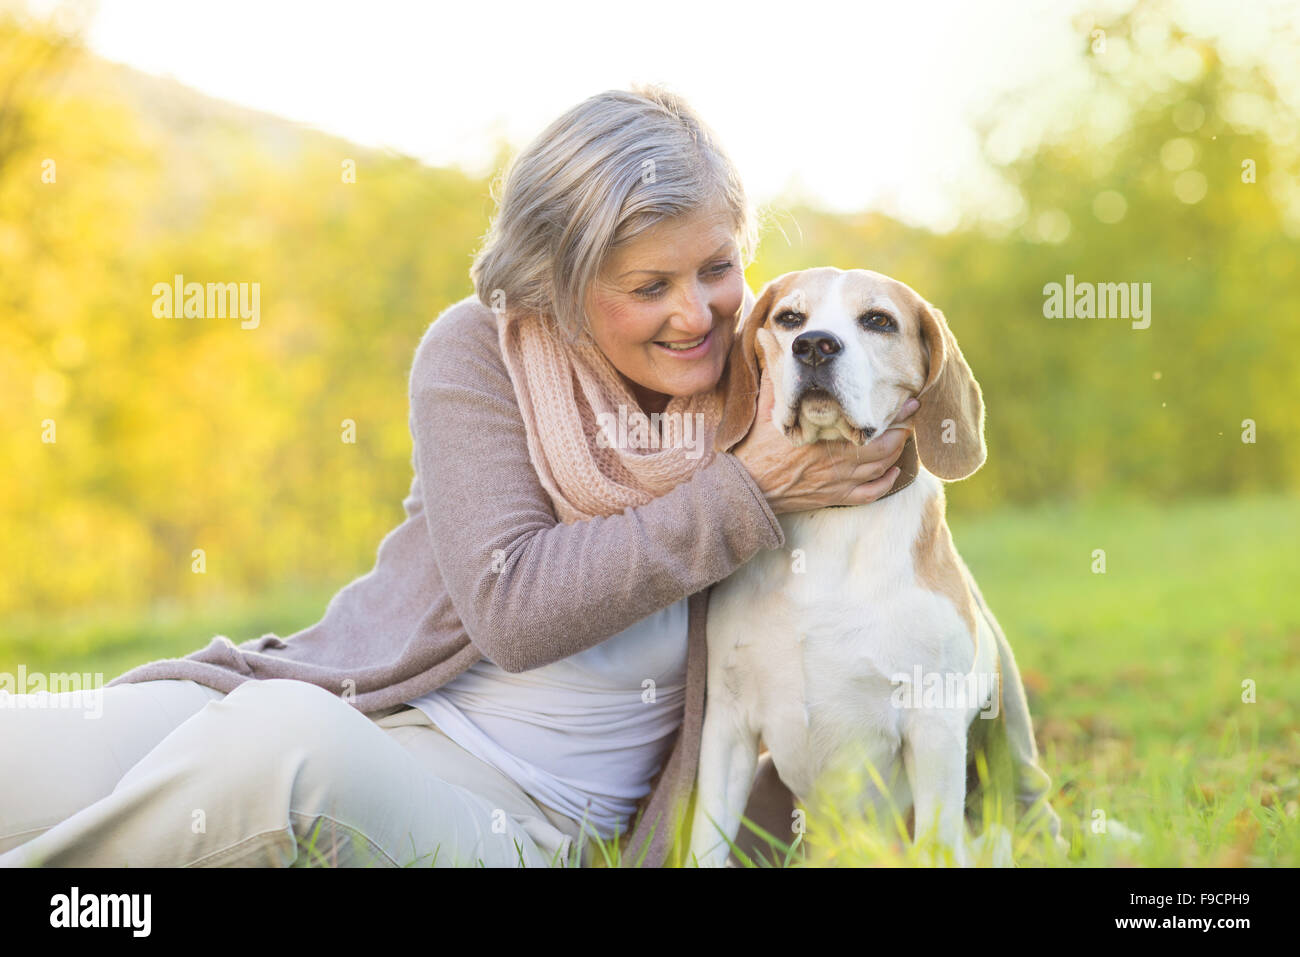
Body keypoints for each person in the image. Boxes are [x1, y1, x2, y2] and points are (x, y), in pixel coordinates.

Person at [0, 84, 1059, 868]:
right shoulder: (481, 355)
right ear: (557, 287)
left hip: (524, 820)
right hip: (373, 705)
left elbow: (937, 602)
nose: (698, 314)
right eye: (648, 286)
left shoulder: (770, 378)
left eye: (717, 267)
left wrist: (1027, 797)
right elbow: (513, 604)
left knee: (281, 750)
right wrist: (745, 492)